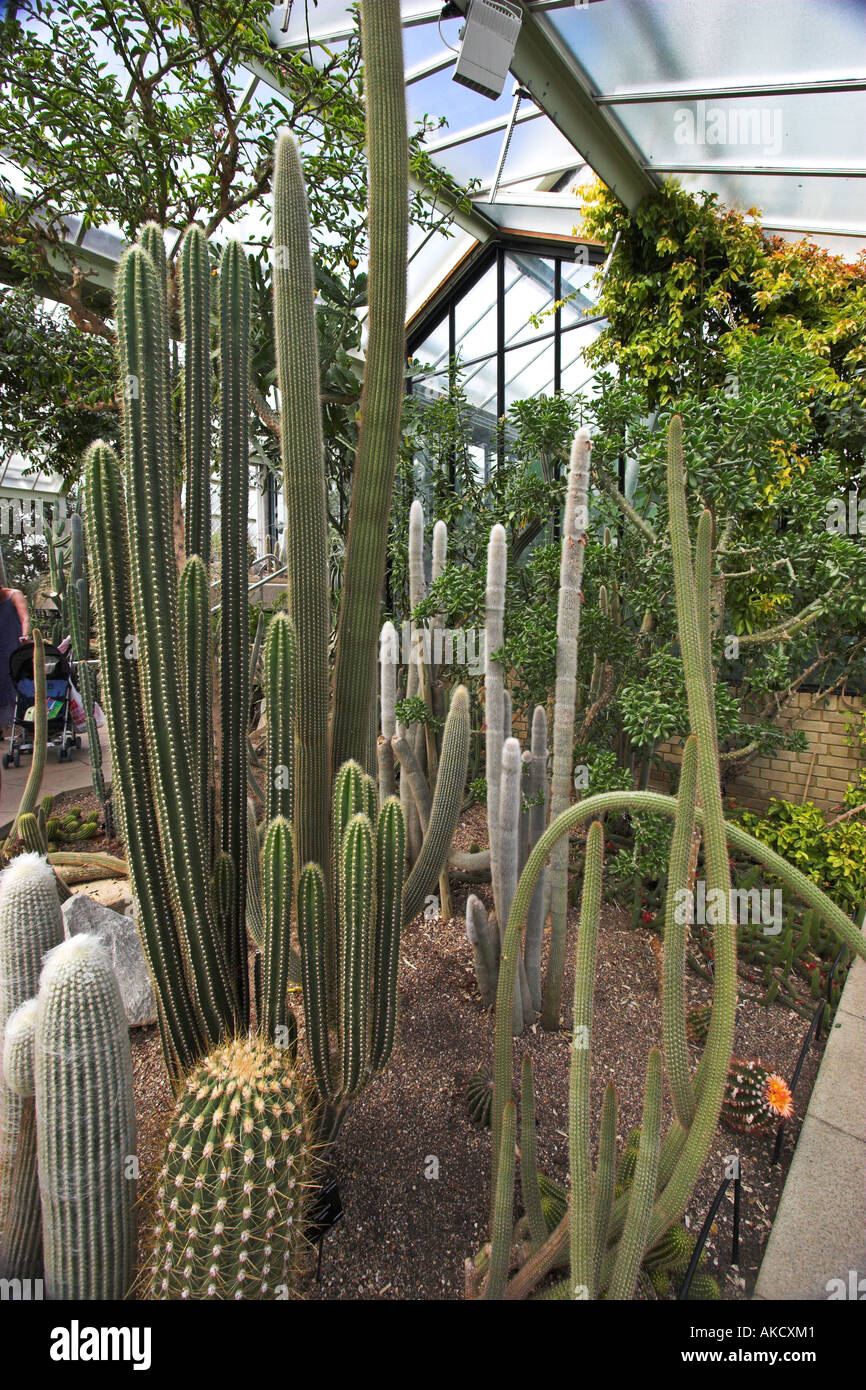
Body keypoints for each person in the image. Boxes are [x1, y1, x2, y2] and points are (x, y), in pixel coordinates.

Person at [0, 585, 31, 741]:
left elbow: (24, 617)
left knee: (16, 686)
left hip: (13, 648)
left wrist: (25, 635)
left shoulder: (14, 595)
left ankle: (25, 726)